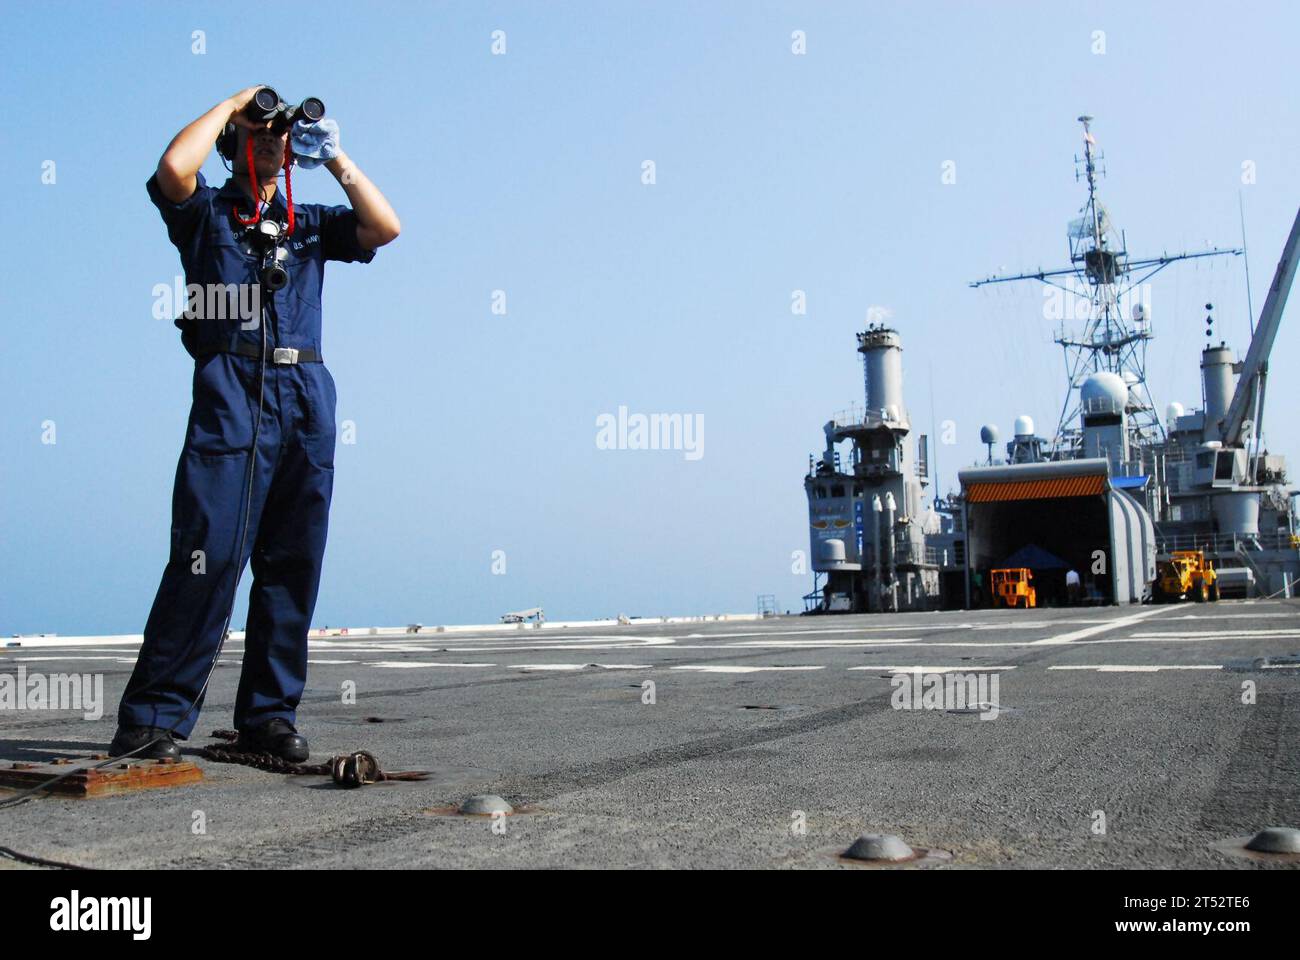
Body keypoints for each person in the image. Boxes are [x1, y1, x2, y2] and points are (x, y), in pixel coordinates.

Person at [110, 86, 400, 762]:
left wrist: (335, 160)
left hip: (305, 393)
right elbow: (174, 169)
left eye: (279, 131)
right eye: (258, 130)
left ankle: (267, 720)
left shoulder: (310, 223)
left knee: (293, 560)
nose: (271, 137)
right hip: (232, 388)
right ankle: (152, 718)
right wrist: (234, 101)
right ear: (235, 140)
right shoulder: (208, 212)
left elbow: (385, 227)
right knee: (206, 550)